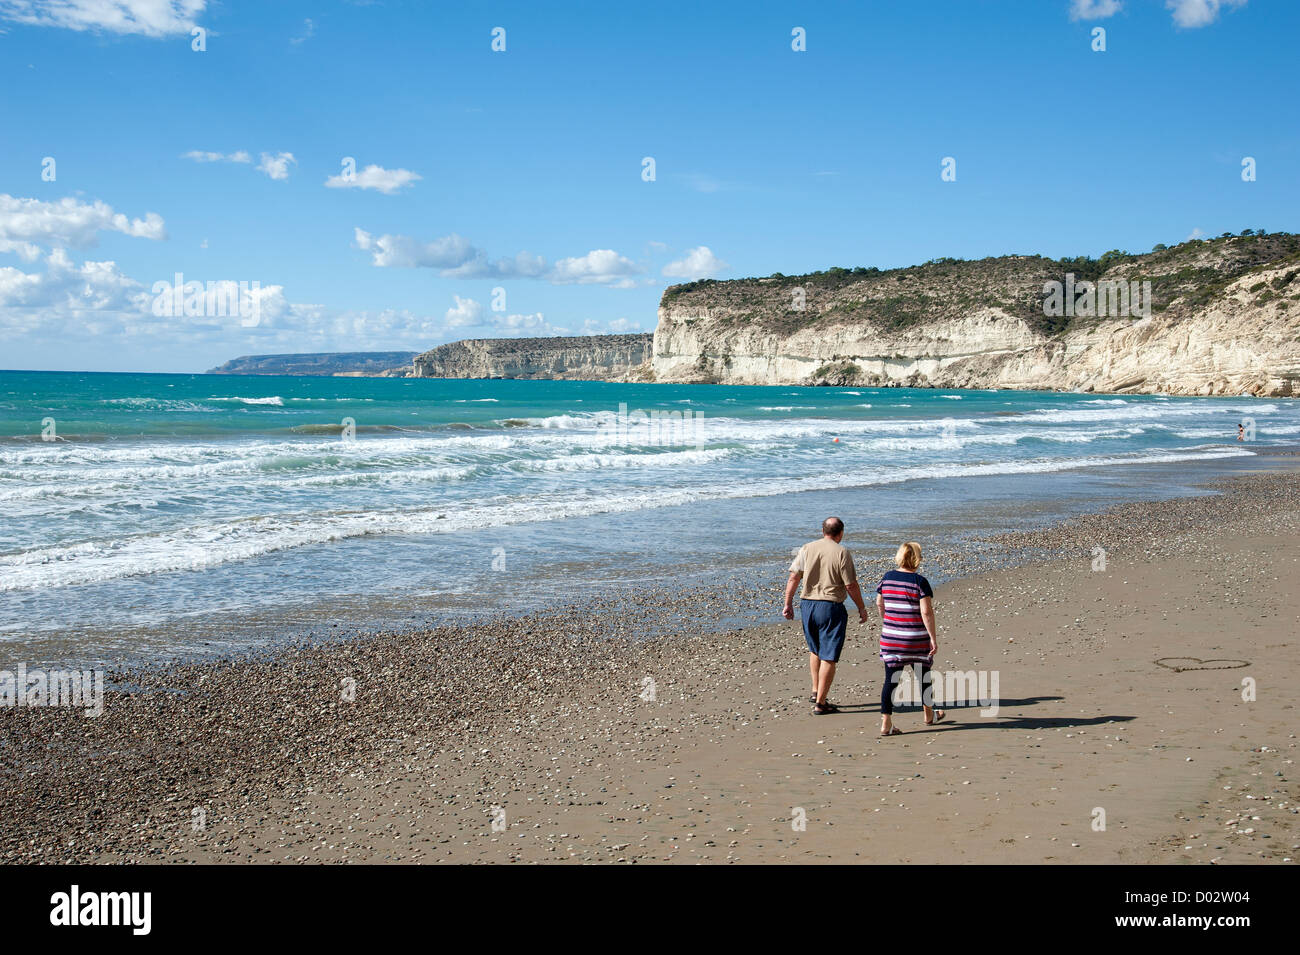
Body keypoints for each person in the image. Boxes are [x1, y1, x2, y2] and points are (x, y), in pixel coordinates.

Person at [783, 517, 869, 715]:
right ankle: (821, 703)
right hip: (829, 606)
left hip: (808, 605)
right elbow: (850, 585)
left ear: (823, 531)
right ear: (840, 533)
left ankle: (816, 690)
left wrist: (788, 603)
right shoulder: (842, 552)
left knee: (815, 649)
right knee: (829, 655)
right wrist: (861, 607)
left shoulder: (807, 548)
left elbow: (793, 577)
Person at [875, 541, 944, 736]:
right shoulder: (919, 581)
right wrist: (933, 638)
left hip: (892, 638)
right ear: (916, 559)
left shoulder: (887, 578)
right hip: (916, 639)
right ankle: (929, 715)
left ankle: (886, 723)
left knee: (890, 681)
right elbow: (926, 612)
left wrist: (889, 621)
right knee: (923, 677)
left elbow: (880, 604)